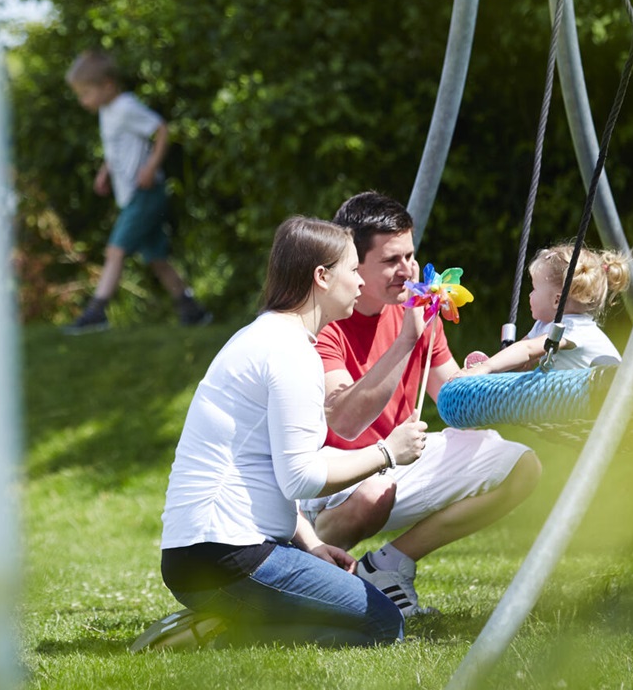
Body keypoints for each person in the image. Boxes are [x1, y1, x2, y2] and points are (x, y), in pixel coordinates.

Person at [139, 216, 428, 651]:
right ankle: (216, 634)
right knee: (385, 625)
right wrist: (388, 452)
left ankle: (222, 619)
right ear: (322, 277)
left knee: (369, 619)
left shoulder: (266, 337)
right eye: (353, 270)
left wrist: (311, 545)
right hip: (226, 558)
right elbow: (302, 479)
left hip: (200, 555)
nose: (360, 283)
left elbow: (274, 472)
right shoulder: (289, 353)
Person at [298, 191, 542, 617]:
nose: (408, 270)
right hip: (336, 477)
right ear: (353, 261)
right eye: (392, 260)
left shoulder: (418, 310)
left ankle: (388, 565)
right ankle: (307, 557)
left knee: (522, 467)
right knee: (374, 492)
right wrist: (408, 338)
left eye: (410, 257)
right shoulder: (326, 320)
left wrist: (485, 374)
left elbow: (452, 403)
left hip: (402, 459)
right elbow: (347, 421)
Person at [62, 49, 210, 332]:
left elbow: (161, 129)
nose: (83, 101)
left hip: (146, 193)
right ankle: (192, 310)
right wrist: (106, 170)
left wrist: (151, 166)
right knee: (157, 259)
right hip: (131, 195)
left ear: (107, 86)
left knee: (115, 251)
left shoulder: (126, 106)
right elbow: (119, 147)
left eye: (85, 93)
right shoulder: (107, 111)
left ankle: (97, 312)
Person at [465, 243, 633, 372]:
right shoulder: (543, 325)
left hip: (607, 396)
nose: (530, 295)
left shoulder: (575, 328)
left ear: (557, 301)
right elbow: (521, 358)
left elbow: (528, 350)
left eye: (534, 289)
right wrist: (490, 371)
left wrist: (486, 367)